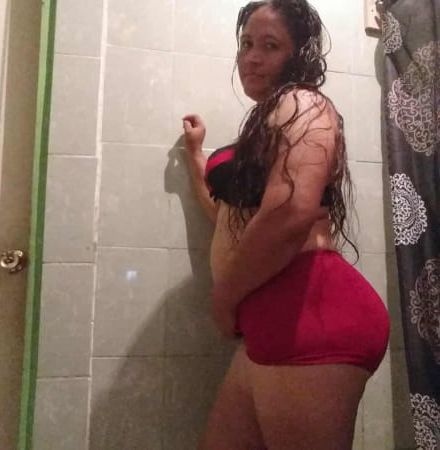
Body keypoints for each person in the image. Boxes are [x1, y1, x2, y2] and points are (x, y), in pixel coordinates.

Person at [182, 1, 390, 448]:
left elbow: (292, 211)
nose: (252, 57)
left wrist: (224, 298)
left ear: (299, 53)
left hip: (310, 309)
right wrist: (197, 157)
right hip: (274, 315)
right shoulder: (267, 125)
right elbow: (229, 218)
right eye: (246, 44)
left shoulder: (306, 104)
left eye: (270, 45)